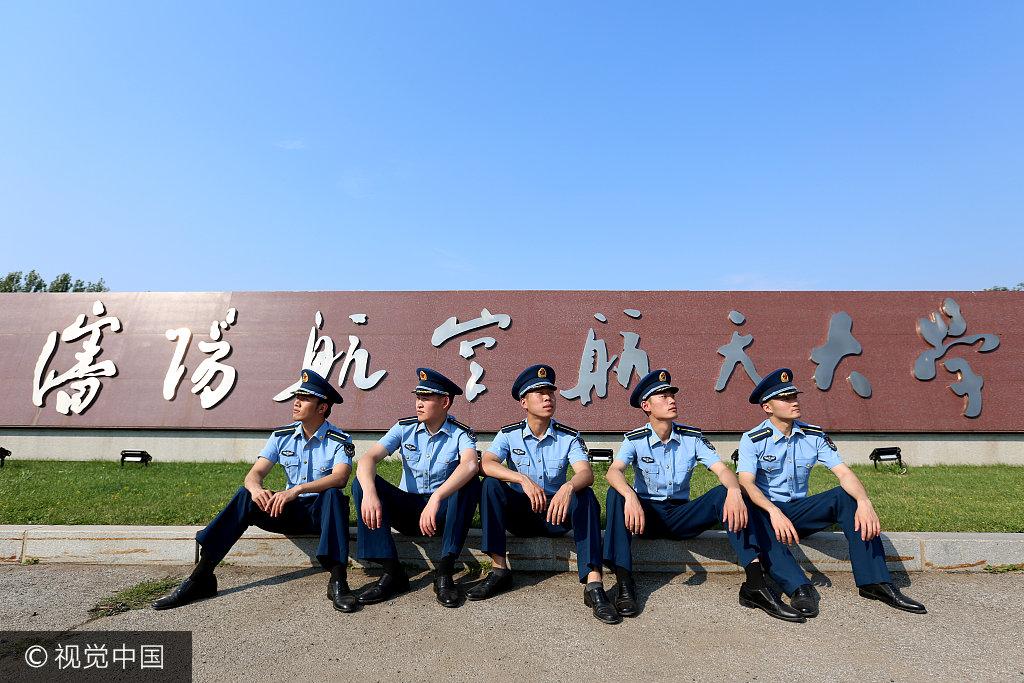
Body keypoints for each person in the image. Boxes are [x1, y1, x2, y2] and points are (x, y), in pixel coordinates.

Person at [603, 369, 811, 622]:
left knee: (729, 494)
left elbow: (722, 469)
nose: (671, 400)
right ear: (646, 405)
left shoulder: (692, 437)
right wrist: (631, 495)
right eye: (662, 395)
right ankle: (624, 583)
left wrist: (734, 490)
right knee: (617, 495)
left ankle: (755, 583)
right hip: (647, 516)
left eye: (672, 394)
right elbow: (614, 472)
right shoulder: (635, 439)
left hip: (681, 515)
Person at [154, 369, 357, 612]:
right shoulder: (281, 436)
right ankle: (201, 577)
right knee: (245, 495)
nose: (296, 402)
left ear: (322, 407)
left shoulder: (339, 439)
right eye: (297, 397)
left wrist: (297, 490)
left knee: (333, 495)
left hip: (321, 514)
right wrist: (256, 489)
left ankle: (337, 579)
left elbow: (340, 477)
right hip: (288, 511)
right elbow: (254, 474)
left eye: (304, 399)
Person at [736, 368, 927, 615]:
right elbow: (747, 483)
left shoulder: (813, 435)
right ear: (767, 407)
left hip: (798, 513)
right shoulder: (753, 439)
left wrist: (864, 501)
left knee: (847, 497)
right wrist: (773, 511)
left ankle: (875, 582)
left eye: (794, 396)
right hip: (767, 513)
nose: (794, 402)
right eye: (785, 398)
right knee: (748, 503)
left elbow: (844, 473)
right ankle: (799, 589)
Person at [470, 364, 620, 624]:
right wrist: (520, 478)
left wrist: (568, 486)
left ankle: (594, 584)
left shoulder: (568, 437)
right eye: (538, 393)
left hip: (556, 515)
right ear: (524, 402)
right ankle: (498, 570)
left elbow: (586, 473)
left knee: (585, 495)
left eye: (550, 392)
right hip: (521, 514)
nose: (547, 397)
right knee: (491, 485)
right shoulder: (509, 434)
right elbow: (486, 464)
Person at [353, 368, 481, 608]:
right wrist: (370, 494)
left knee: (470, 482)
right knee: (362, 481)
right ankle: (392, 572)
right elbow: (367, 459)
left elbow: (471, 464)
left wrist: (437, 498)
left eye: (426, 398)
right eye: (418, 397)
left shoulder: (460, 433)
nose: (419, 404)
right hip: (408, 511)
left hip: (441, 514)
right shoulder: (404, 428)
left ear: (445, 402)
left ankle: (444, 572)